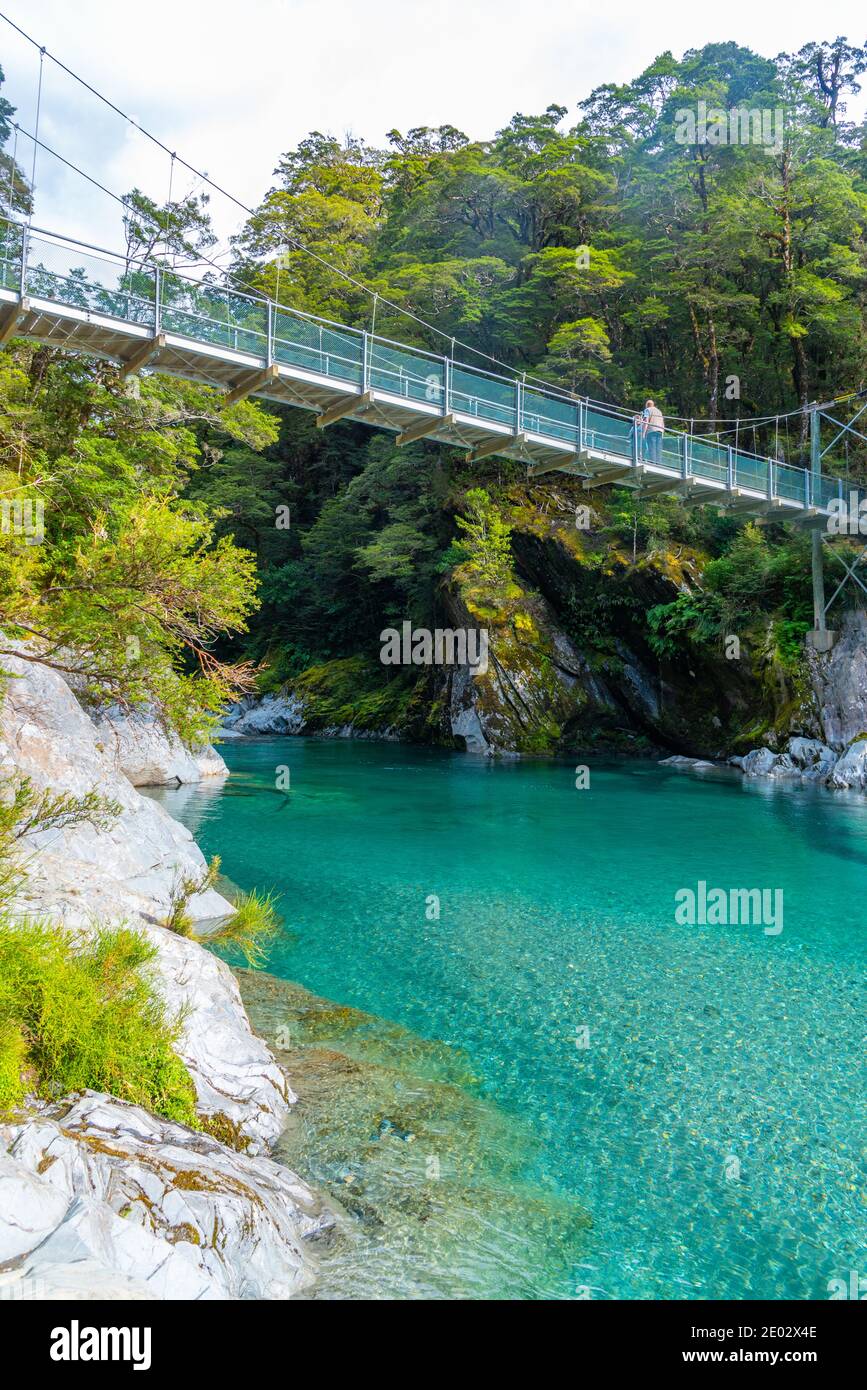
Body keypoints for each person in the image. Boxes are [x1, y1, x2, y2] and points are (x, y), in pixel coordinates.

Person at [642, 398, 664, 464]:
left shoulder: (647, 410)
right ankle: (659, 464)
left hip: (651, 431)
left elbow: (646, 421)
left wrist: (643, 433)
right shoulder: (659, 411)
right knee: (658, 449)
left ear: (647, 405)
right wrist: (662, 433)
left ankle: (653, 463)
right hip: (660, 431)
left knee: (652, 448)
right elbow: (663, 424)